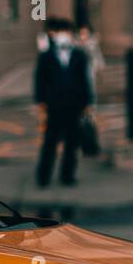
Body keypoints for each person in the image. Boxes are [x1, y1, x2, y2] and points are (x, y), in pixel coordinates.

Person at [35, 17, 92, 187]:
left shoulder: (79, 55)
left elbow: (84, 80)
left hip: (74, 105)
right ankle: (43, 177)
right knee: (50, 142)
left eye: (66, 32)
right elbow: (40, 79)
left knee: (71, 143)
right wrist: (41, 100)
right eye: (60, 32)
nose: (63, 35)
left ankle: (67, 176)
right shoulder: (46, 56)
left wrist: (87, 102)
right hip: (55, 105)